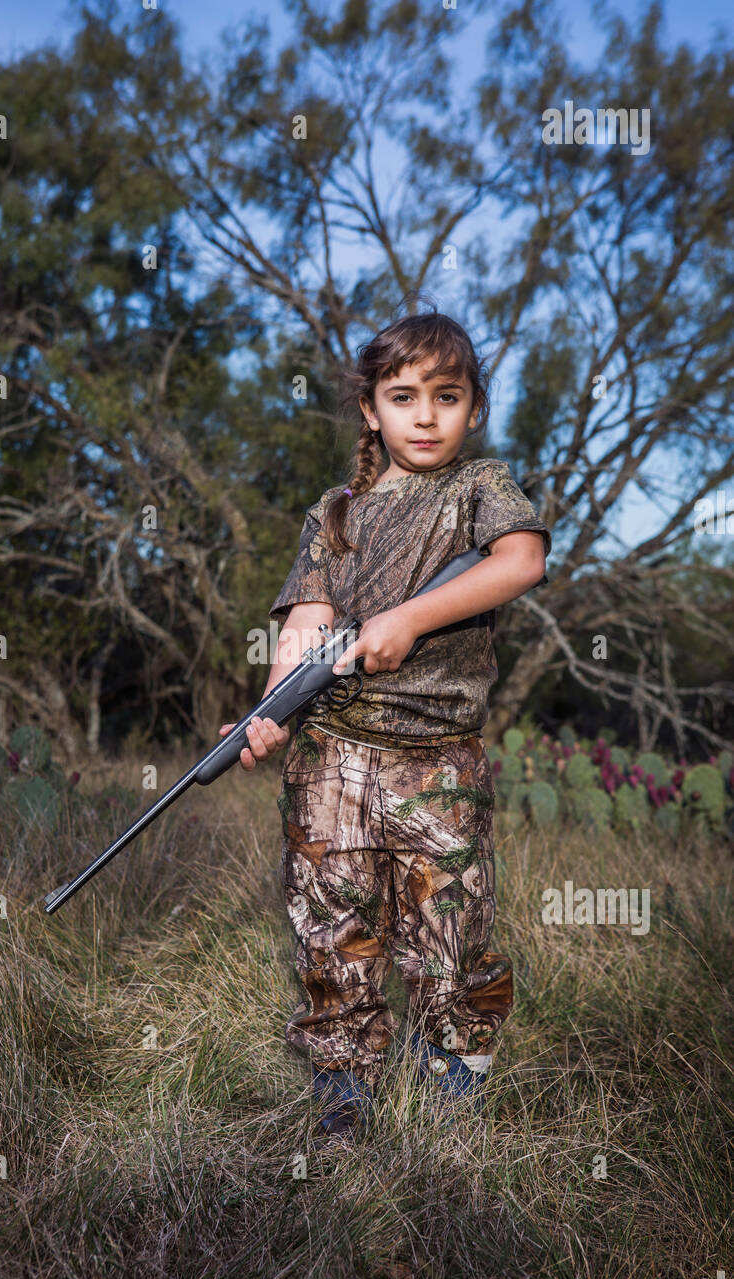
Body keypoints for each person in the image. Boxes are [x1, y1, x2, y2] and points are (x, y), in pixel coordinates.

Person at [220, 309, 551, 1142]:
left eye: (447, 396)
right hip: (330, 752)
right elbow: (304, 621)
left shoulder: (480, 488)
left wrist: (408, 619)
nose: (427, 414)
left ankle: (451, 1073)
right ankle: (346, 1078)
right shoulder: (334, 513)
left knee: (449, 923)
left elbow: (522, 560)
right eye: (403, 397)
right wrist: (268, 713)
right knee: (330, 920)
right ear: (371, 410)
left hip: (437, 757)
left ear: (473, 407)